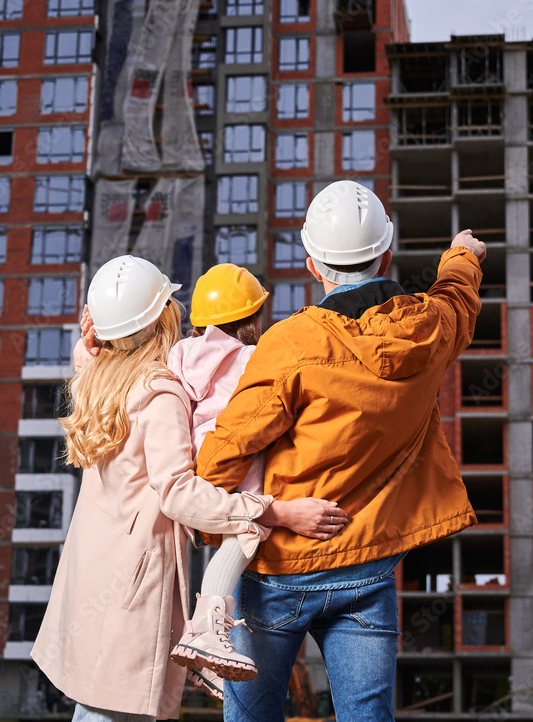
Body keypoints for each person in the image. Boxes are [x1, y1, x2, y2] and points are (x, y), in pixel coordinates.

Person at [193, 180, 487, 721]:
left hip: (280, 567)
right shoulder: (430, 329)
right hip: (369, 567)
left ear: (312, 264)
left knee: (251, 716)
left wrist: (213, 518)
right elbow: (458, 299)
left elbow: (228, 449)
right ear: (387, 254)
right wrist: (463, 255)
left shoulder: (292, 343)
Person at [30, 256, 344, 722]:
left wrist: (90, 342)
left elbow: (88, 360)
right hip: (132, 586)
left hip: (92, 574)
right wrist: (274, 513)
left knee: (94, 702)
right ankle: (203, 638)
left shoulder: (98, 376)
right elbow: (178, 493)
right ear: (166, 315)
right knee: (112, 710)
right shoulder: (160, 393)